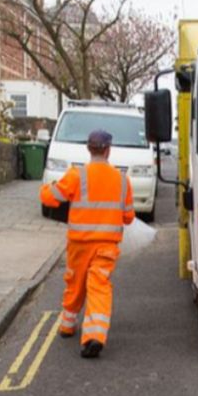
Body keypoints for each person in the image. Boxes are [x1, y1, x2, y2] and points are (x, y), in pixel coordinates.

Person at [39, 130, 135, 358]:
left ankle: (67, 325)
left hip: (79, 244)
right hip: (107, 246)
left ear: (88, 148)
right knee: (99, 286)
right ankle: (94, 336)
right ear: (108, 150)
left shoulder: (76, 175)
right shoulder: (122, 180)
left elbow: (49, 197)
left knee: (75, 282)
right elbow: (129, 217)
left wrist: (47, 186)